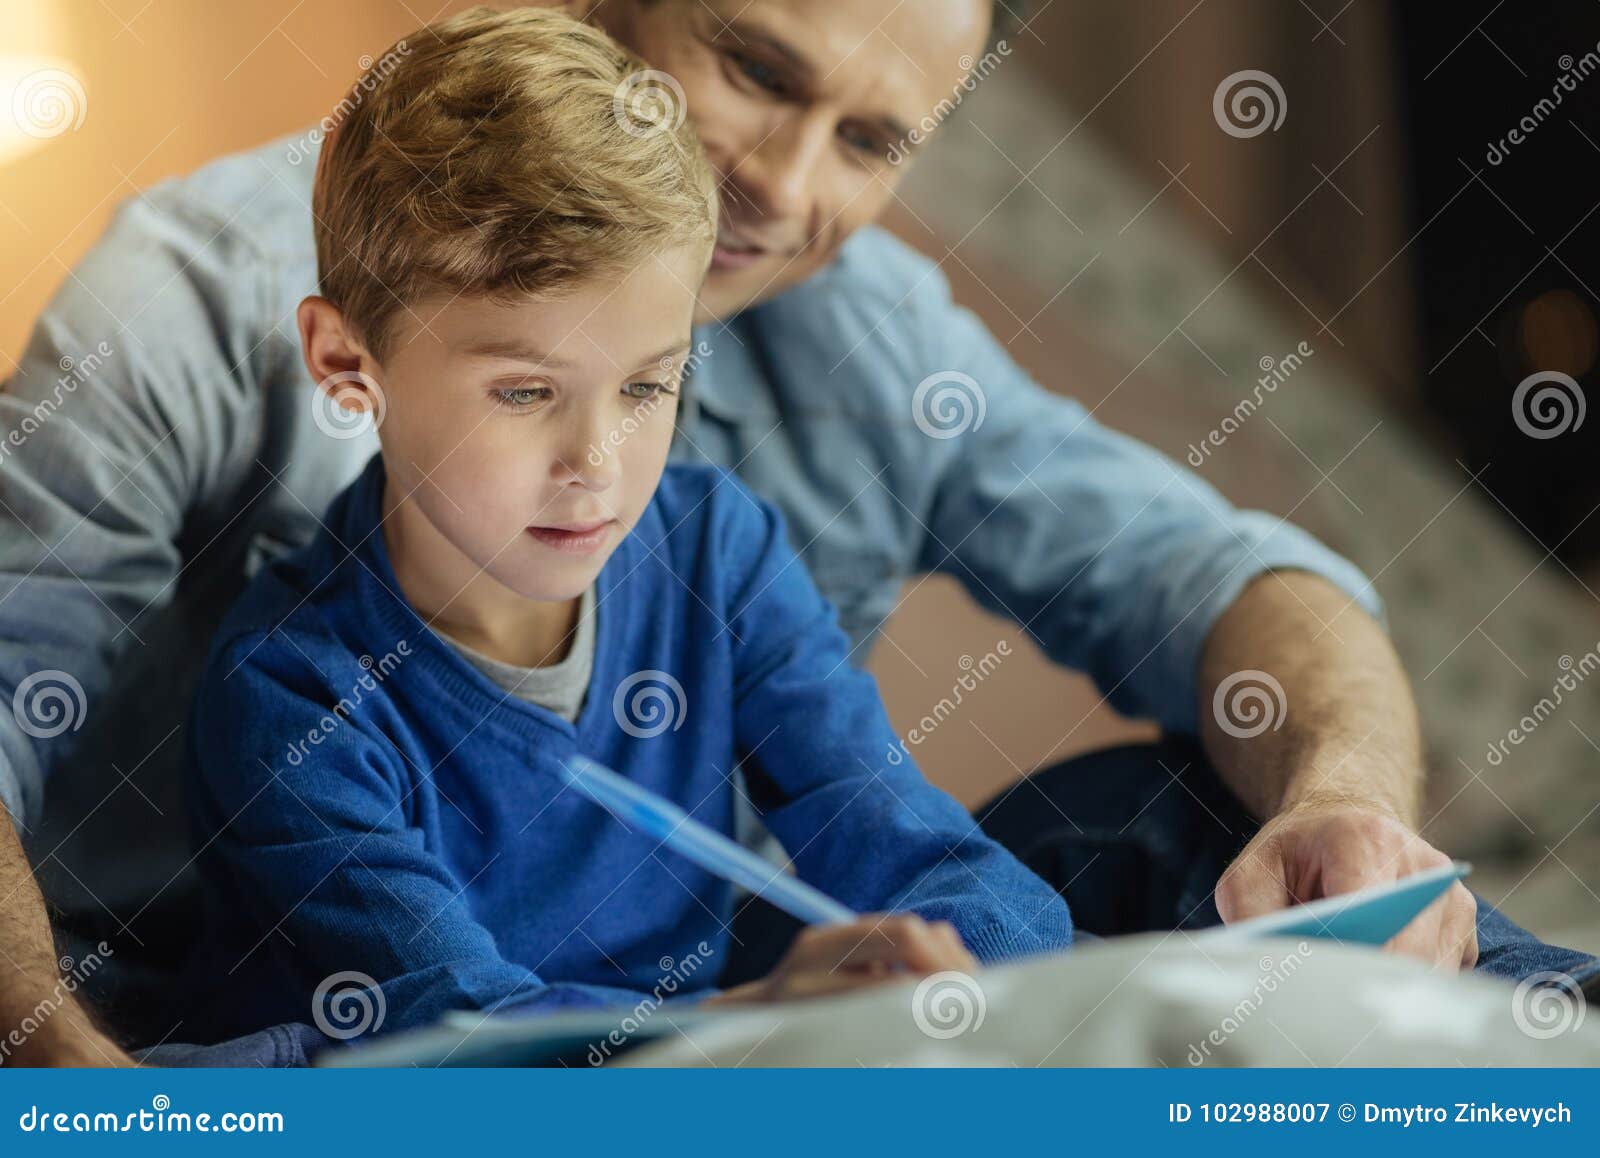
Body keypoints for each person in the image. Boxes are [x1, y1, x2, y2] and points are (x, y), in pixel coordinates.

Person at [1, 0, 1590, 1065]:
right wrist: (77, 1083)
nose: (779, 183)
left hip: (736, 980)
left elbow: (1212, 583)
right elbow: (442, 1012)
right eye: (759, 66)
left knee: (1184, 812)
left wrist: (1331, 810)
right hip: (278, 1010)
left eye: (874, 139)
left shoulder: (776, 448)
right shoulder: (199, 322)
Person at [179, 5, 1067, 1046]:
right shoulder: (293, 700)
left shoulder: (719, 554)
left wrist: (1002, 985)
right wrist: (760, 1022)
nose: (595, 468)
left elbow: (909, 846)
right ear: (345, 364)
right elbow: (468, 1037)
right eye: (524, 393)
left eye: (648, 387)